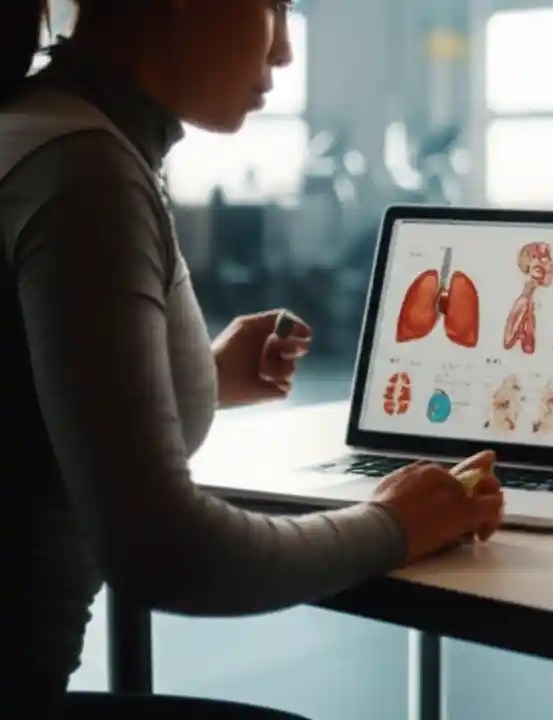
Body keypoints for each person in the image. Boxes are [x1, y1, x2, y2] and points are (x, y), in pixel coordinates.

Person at [0, 1, 504, 716]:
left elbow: (29, 410)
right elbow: (166, 555)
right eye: (276, 5)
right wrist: (393, 523)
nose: (284, 53)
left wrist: (195, 378)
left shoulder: (40, 127)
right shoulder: (86, 175)